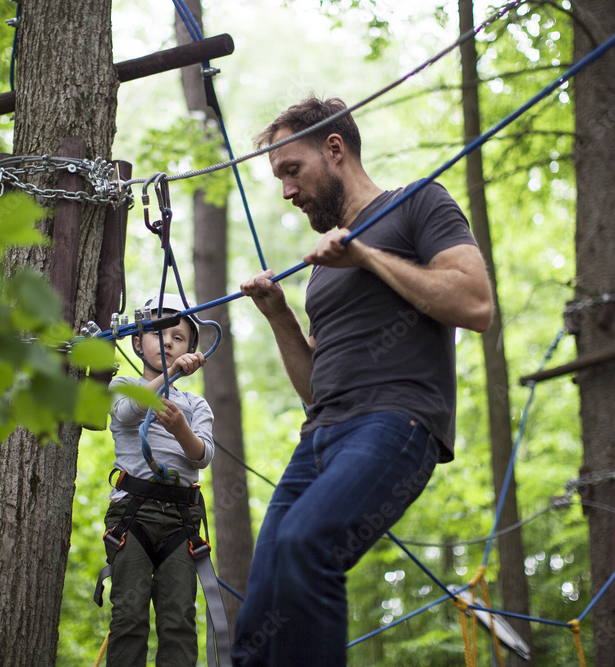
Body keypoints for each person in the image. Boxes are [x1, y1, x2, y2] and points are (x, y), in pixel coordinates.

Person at [231, 95, 493, 666]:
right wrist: (279, 315)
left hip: (396, 423)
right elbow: (314, 388)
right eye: (279, 179)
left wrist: (370, 257)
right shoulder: (322, 274)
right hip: (320, 437)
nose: (287, 192)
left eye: (292, 171)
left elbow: (475, 303)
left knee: (307, 544)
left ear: (334, 148)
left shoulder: (419, 203)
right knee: (257, 617)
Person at [102, 293, 213, 666]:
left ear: (191, 350)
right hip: (133, 516)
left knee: (179, 621)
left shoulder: (195, 405)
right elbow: (129, 412)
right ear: (137, 341)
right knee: (129, 617)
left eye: (179, 337)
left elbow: (203, 455)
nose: (167, 341)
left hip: (181, 521)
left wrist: (181, 429)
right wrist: (169, 375)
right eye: (158, 333)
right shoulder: (123, 386)